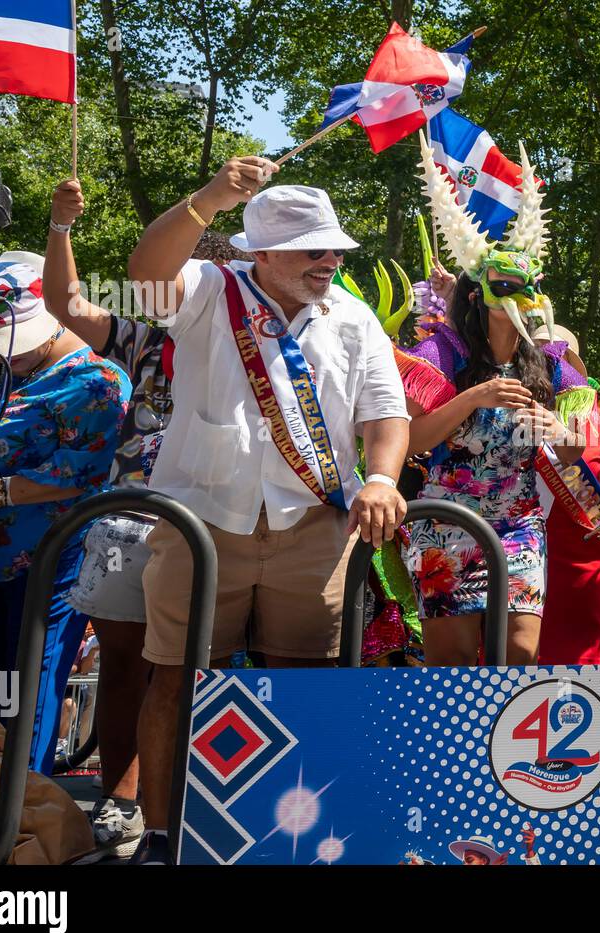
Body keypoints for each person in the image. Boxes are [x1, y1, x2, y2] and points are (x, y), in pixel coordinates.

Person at [125, 156, 411, 863]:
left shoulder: (353, 316)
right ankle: (162, 834)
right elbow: (144, 274)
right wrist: (210, 199)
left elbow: (386, 413)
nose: (331, 258)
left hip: (313, 528)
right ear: (265, 251)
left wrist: (380, 478)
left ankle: (292, 841)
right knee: (178, 678)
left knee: (303, 682)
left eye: (337, 247)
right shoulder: (209, 288)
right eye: (315, 247)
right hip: (201, 521)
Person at [42, 179, 255, 857]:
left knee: (201, 671)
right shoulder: (142, 340)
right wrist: (60, 228)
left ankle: (199, 806)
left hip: (226, 528)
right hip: (131, 525)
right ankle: (121, 802)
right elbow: (64, 305)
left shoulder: (270, 350)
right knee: (127, 668)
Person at [0, 255, 130, 774]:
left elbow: (85, 471)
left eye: (18, 346)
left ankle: (26, 810)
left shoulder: (97, 381)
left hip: (54, 559)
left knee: (30, 687)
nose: (10, 357)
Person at [398, 140, 591, 665]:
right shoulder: (442, 351)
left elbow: (582, 451)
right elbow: (411, 440)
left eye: (529, 285)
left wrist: (556, 427)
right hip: (445, 521)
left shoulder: (552, 360)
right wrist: (475, 397)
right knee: (453, 660)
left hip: (521, 525)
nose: (520, 296)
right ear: (478, 291)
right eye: (507, 284)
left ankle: (508, 748)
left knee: (521, 652)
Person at [532, 325, 600, 666]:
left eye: (558, 359)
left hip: (590, 559)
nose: (548, 366)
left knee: (595, 660)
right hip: (530, 557)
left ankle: (599, 720)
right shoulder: (517, 416)